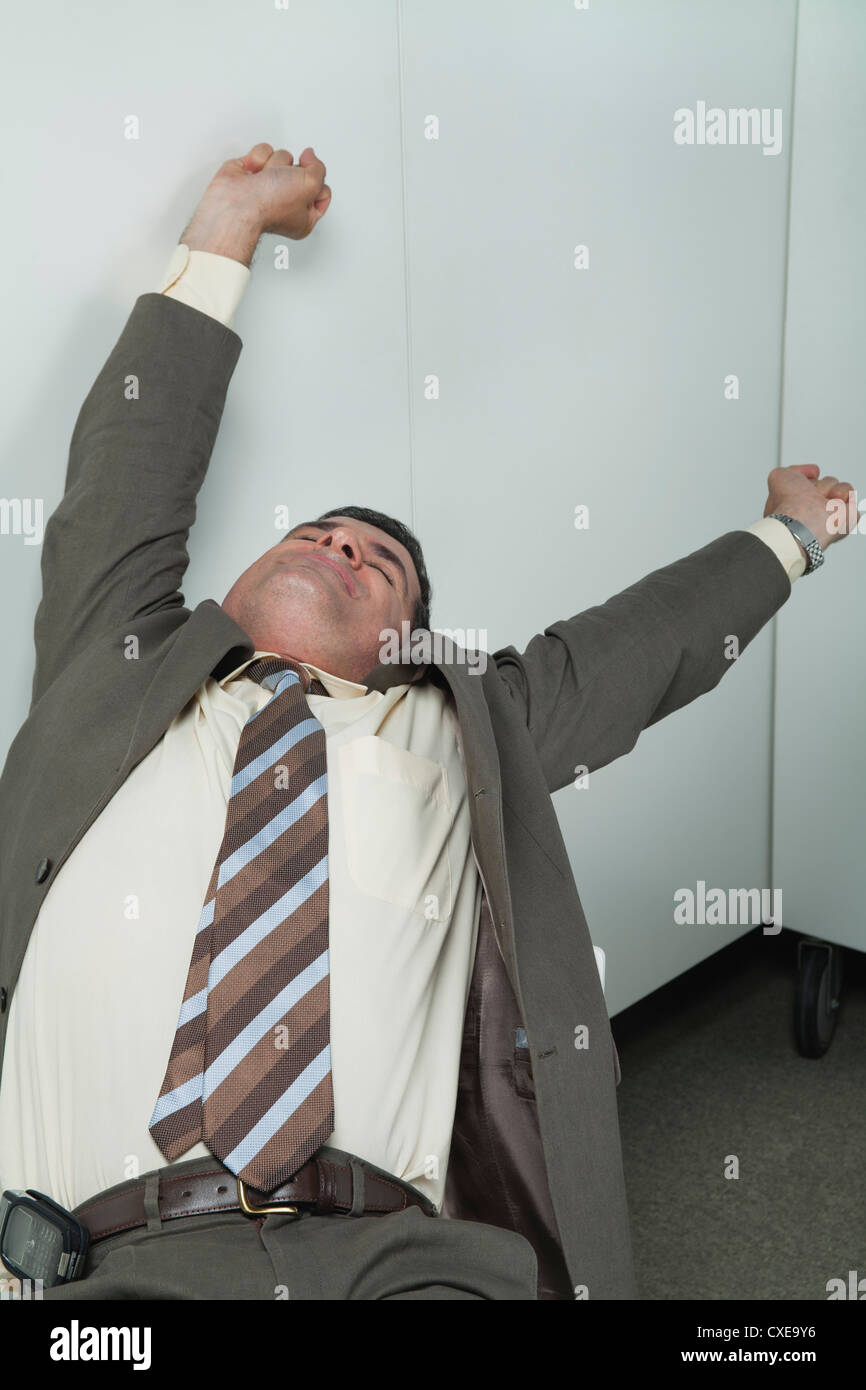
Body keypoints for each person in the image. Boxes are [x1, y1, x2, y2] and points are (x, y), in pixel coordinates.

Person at [0, 142, 855, 1301]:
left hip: (388, 1260)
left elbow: (635, 652)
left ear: (412, 642)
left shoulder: (460, 733)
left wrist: (788, 537)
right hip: (94, 1268)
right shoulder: (123, 670)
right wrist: (231, 227)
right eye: (317, 532)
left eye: (382, 561)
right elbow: (128, 475)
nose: (343, 544)